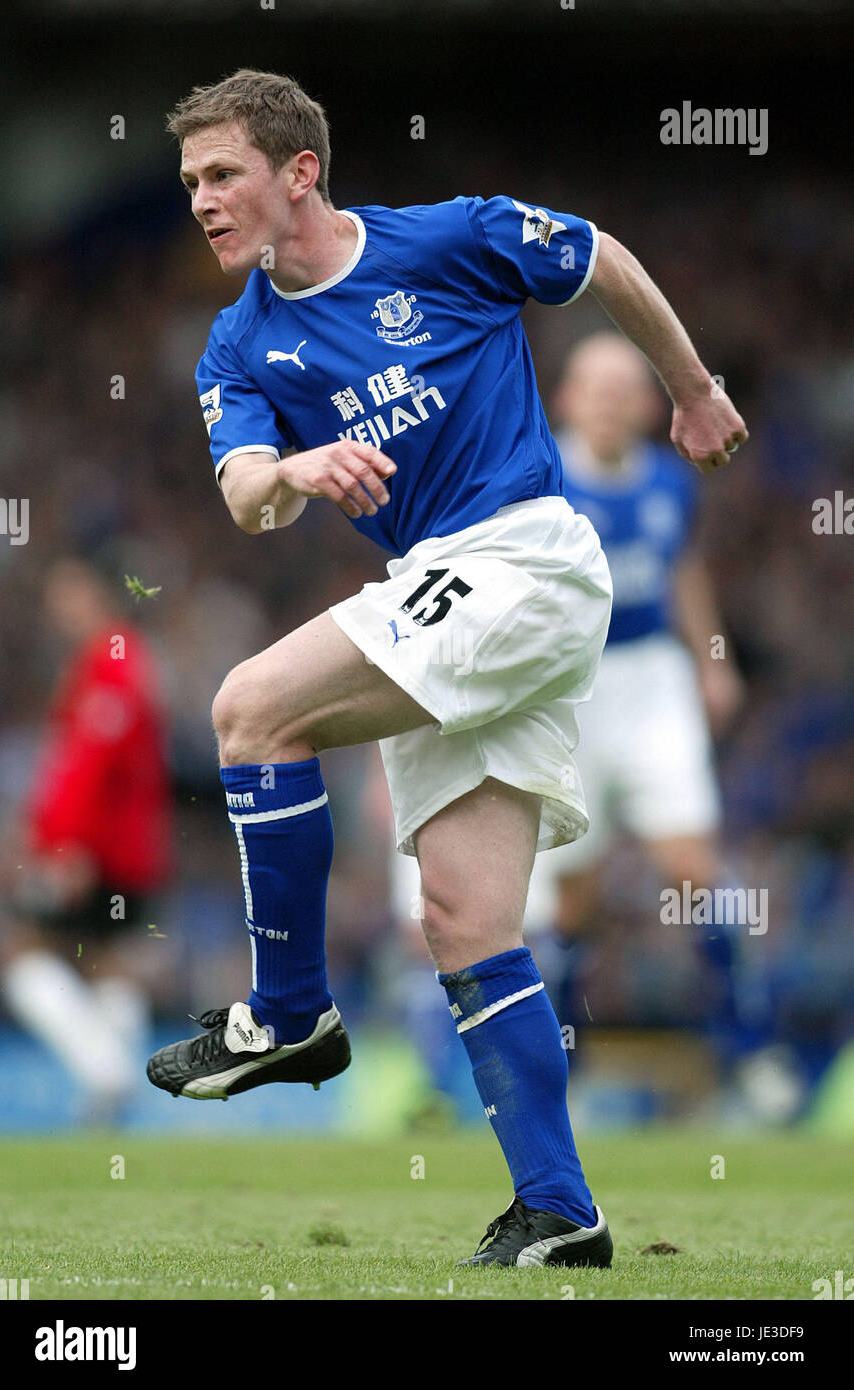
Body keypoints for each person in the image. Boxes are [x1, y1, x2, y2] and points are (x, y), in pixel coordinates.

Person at [146, 69, 747, 1268]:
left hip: (522, 555)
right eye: (190, 183)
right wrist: (297, 471)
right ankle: (559, 1210)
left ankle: (291, 1007)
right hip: (451, 594)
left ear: (297, 172)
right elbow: (243, 494)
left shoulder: (454, 238)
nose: (202, 201)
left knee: (249, 706)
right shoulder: (238, 342)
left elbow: (599, 255)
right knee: (466, 921)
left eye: (222, 175)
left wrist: (689, 388)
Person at [523, 332, 753, 1071]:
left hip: (653, 679)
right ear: (565, 399)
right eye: (596, 387)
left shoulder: (668, 481)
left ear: (650, 407)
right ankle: (569, 1058)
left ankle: (744, 1048)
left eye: (624, 390)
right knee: (573, 897)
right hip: (570, 687)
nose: (610, 402)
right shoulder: (540, 477)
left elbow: (681, 567)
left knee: (691, 868)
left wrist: (710, 658)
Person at [0, 556, 174, 1120]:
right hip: (132, 851)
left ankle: (107, 1073)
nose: (57, 608)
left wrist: (60, 845)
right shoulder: (122, 659)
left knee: (20, 956)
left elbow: (90, 764)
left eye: (68, 593)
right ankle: (112, 1086)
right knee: (109, 963)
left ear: (98, 595)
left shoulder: (111, 660)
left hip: (98, 852)